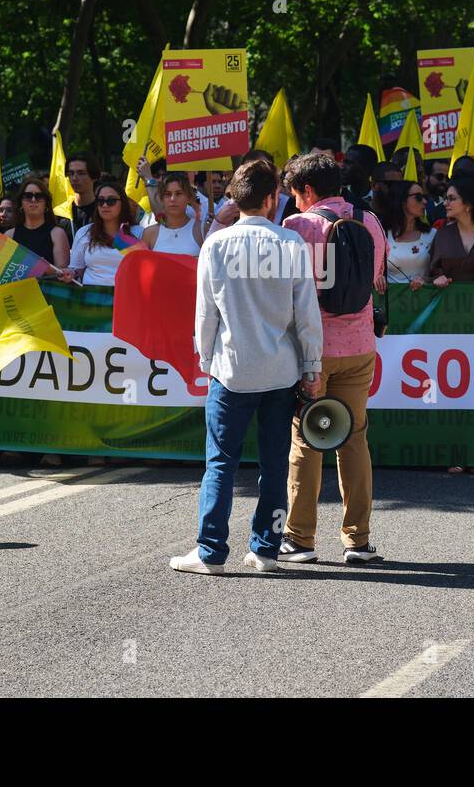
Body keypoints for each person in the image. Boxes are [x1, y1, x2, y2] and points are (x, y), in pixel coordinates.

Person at [171, 160, 323, 575]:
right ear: (272, 199)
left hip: (231, 369)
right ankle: (266, 549)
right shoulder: (290, 243)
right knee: (274, 463)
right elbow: (306, 314)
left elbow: (205, 314)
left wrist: (206, 359)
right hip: (281, 371)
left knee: (220, 463)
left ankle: (210, 551)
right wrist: (312, 366)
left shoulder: (215, 245)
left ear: (234, 198)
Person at [278, 152, 387, 565]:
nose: (294, 202)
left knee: (307, 439)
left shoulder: (297, 227)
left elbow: (284, 289)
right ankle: (358, 541)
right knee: (354, 436)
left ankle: (300, 539)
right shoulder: (370, 221)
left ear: (306, 190)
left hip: (313, 351)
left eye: (294, 194)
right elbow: (375, 277)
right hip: (359, 346)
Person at [66, 179, 144, 286]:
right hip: (92, 293)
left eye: (111, 201)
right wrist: (71, 273)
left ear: (123, 203)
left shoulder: (139, 232)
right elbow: (76, 270)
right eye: (100, 201)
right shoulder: (84, 232)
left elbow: (144, 268)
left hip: (126, 293)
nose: (105, 205)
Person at [5, 177, 70, 273]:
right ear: (21, 203)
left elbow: (62, 273)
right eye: (28, 196)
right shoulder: (9, 235)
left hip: (47, 283)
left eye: (39, 196)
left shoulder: (57, 234)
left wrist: (42, 267)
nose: (33, 200)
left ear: (46, 203)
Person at [383, 181, 436, 289]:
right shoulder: (382, 235)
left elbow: (442, 274)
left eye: (425, 197)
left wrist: (426, 280)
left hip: (425, 298)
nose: (425, 201)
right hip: (391, 298)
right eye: (418, 197)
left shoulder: (432, 234)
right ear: (402, 201)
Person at [140, 172, 203, 255]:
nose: (172, 199)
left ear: (188, 197)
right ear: (162, 199)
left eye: (178, 193)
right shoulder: (149, 234)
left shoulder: (202, 230)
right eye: (168, 194)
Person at [62, 151, 100, 240]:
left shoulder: (104, 209)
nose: (74, 178)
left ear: (94, 176)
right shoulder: (63, 213)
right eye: (71, 173)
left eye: (81, 173)